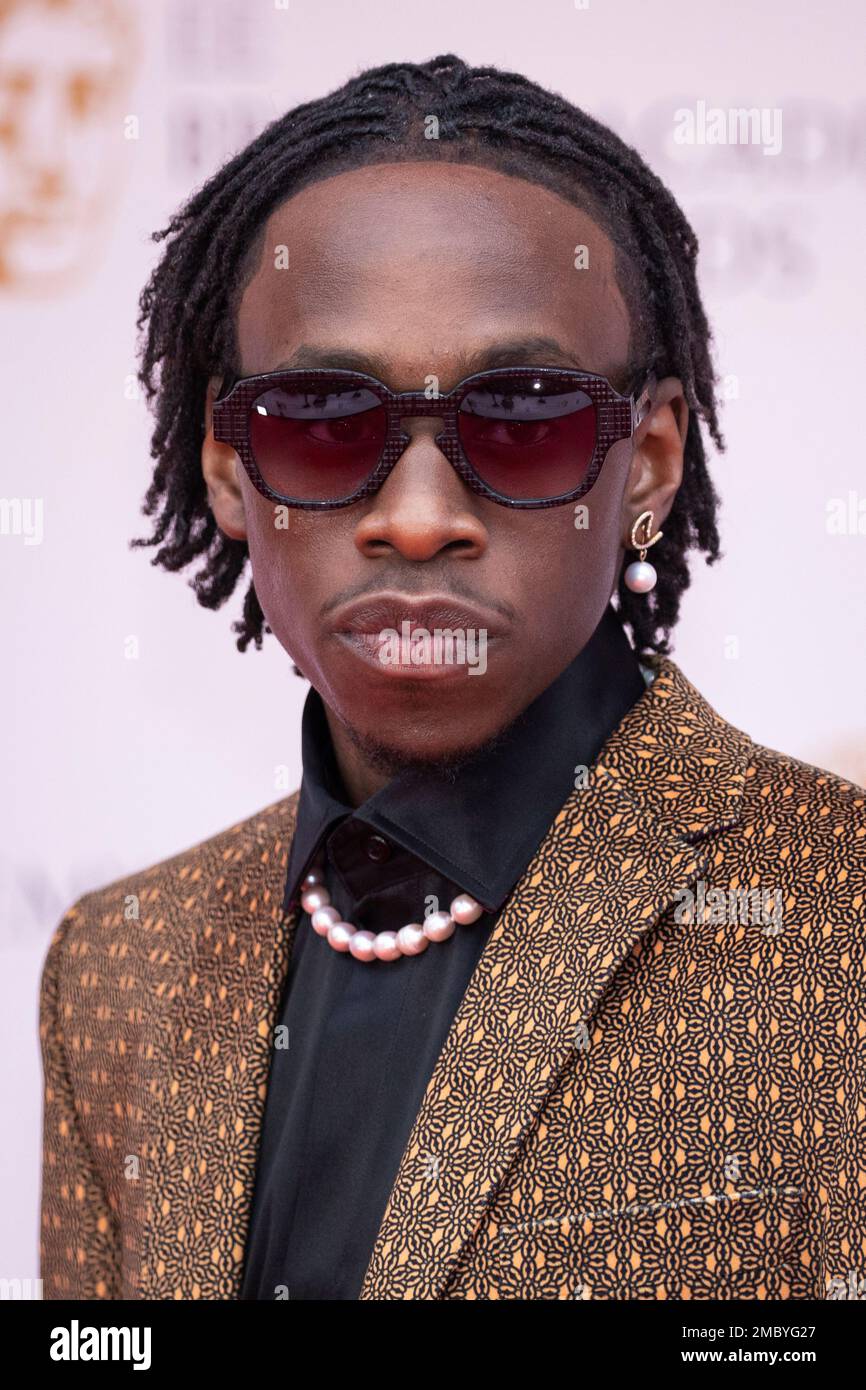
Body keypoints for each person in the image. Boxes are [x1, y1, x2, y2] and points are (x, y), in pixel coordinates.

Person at [39, 53, 865, 1302]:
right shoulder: (117, 968)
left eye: (519, 416)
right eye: (322, 417)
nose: (417, 519)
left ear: (642, 463)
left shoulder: (836, 924)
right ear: (224, 466)